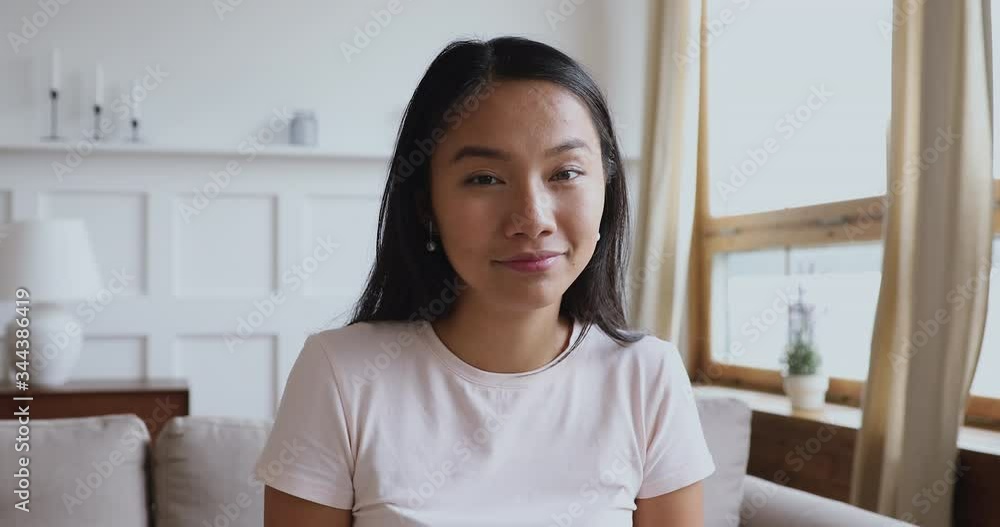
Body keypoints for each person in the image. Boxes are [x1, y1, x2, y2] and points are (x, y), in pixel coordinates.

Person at [255, 36, 715, 526]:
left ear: (607, 189)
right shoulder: (341, 374)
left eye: (565, 172)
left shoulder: (648, 377)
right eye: (484, 179)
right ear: (426, 205)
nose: (532, 218)